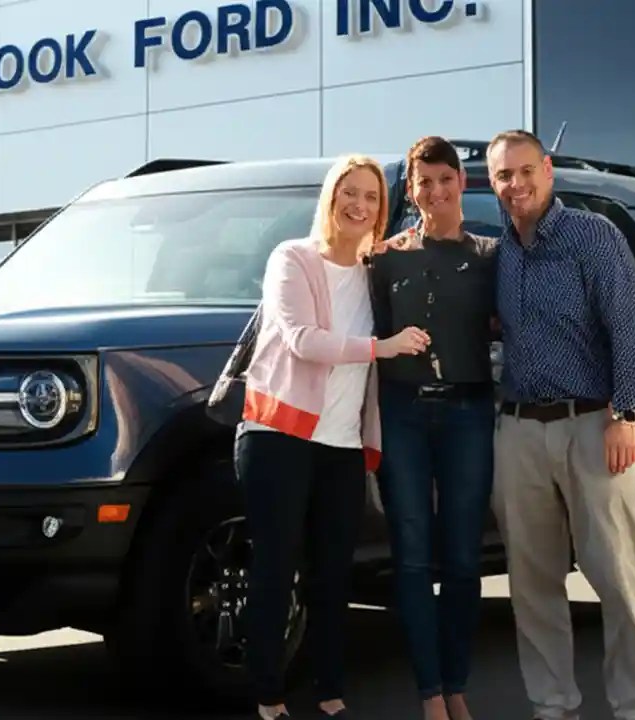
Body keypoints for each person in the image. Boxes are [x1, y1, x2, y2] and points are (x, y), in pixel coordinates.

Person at [484, 129, 635, 720]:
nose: (515, 185)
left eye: (524, 171)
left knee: (617, 577)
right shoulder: (501, 252)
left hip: (593, 423)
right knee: (532, 583)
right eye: (502, 176)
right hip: (517, 431)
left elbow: (627, 328)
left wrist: (625, 413)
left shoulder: (594, 236)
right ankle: (552, 703)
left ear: (548, 170)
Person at [237, 154, 429, 720]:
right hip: (279, 437)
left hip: (343, 446)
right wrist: (381, 347)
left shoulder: (375, 274)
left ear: (381, 209)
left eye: (371, 197)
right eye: (350, 192)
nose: (359, 205)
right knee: (275, 571)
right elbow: (303, 339)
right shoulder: (292, 258)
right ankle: (269, 699)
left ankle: (330, 694)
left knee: (331, 577)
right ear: (330, 197)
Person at [366, 136, 498, 720]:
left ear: (462, 182)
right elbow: (363, 336)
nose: (435, 192)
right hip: (403, 413)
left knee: (464, 557)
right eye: (424, 183)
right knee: (414, 555)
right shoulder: (386, 258)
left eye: (445, 179)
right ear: (410, 190)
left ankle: (457, 685)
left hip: (468, 412)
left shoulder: (493, 256)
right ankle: (429, 695)